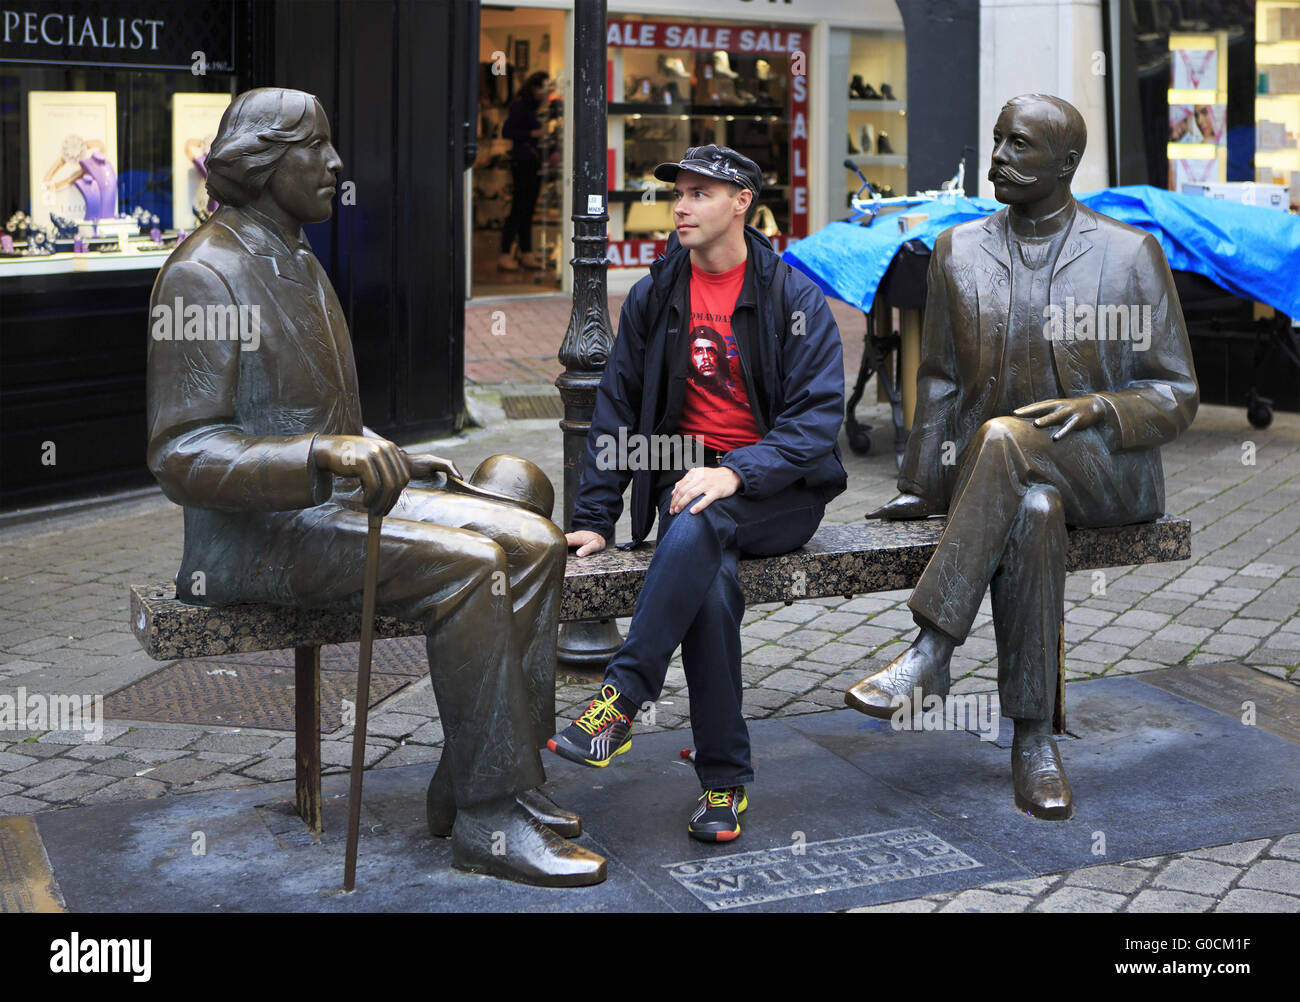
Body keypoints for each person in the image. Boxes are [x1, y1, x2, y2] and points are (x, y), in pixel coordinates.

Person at [146, 87, 605, 887]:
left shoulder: (294, 257)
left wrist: (381, 455)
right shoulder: (203, 275)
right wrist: (322, 454)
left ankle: (475, 780)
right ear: (262, 162)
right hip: (253, 538)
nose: (335, 164)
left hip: (327, 506)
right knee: (474, 563)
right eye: (315, 148)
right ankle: (489, 817)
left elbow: (310, 416)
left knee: (526, 520)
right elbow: (182, 454)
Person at [848, 94, 1198, 819]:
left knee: (1010, 438)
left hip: (1105, 468)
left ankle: (932, 650)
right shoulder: (958, 249)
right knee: (1032, 510)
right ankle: (1034, 742)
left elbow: (1177, 392)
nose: (1000, 157)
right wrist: (921, 484)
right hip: (997, 477)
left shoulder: (1129, 253)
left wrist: (1102, 406)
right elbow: (939, 377)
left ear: (1067, 163)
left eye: (1021, 145)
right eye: (998, 140)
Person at [549, 145, 847, 842]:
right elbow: (617, 406)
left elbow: (814, 423)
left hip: (782, 488)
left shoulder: (790, 297)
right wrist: (595, 517)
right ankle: (724, 783)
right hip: (688, 485)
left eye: (699, 193)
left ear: (741, 202)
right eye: (677, 193)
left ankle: (619, 700)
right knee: (707, 581)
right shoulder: (659, 293)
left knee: (702, 515)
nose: (680, 207)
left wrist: (737, 471)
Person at [498, 71, 553, 272]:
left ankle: (526, 252)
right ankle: (505, 253)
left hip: (530, 161)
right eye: (542, 88)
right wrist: (533, 133)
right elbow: (507, 131)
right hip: (523, 162)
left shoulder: (531, 106)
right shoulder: (521, 105)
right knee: (519, 208)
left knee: (526, 209)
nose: (543, 93)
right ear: (534, 87)